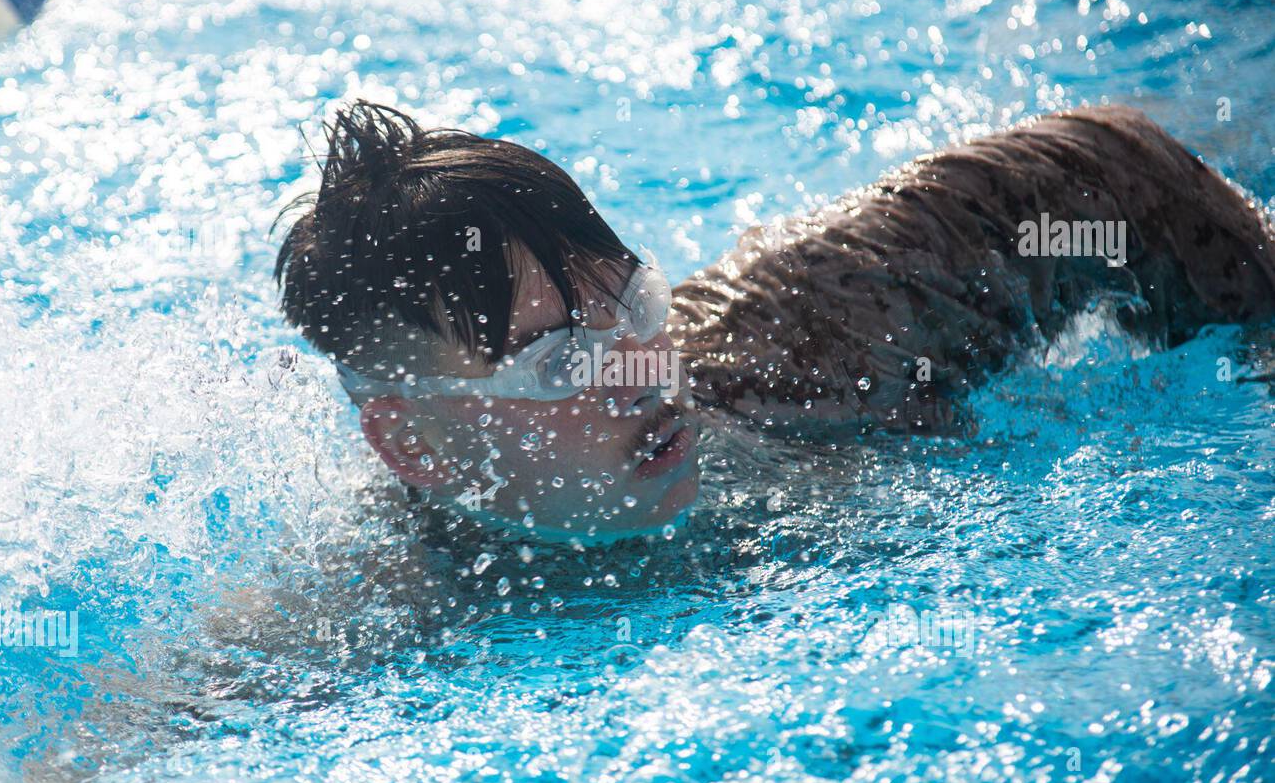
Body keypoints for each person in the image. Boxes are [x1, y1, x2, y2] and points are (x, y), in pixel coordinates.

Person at [274, 101, 1275, 542]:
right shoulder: (380, 623)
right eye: (561, 359)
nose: (642, 371)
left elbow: (1107, 170)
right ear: (415, 441)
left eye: (631, 302)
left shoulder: (805, 345)